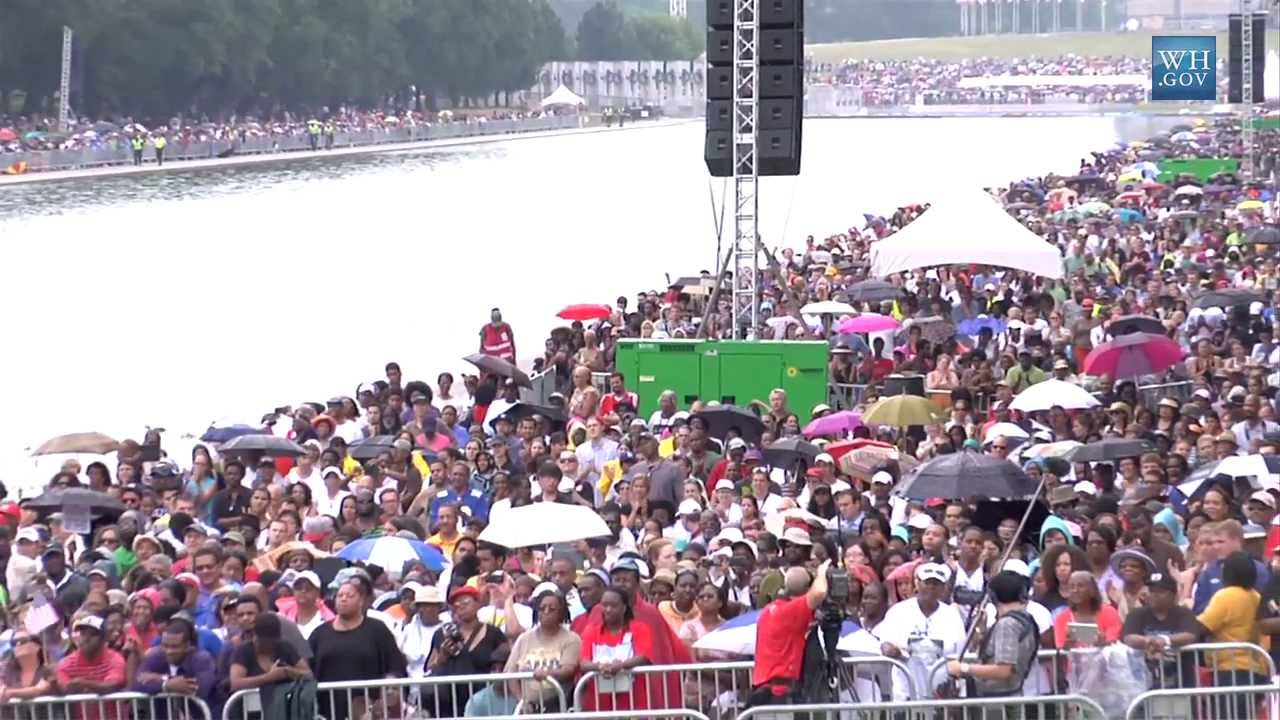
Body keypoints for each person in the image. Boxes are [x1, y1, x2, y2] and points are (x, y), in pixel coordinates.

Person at [308, 575, 405, 719]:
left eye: (350, 595)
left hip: (368, 709)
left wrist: (387, 695)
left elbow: (395, 665)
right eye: (340, 595)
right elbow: (308, 668)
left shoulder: (377, 629)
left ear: (361, 601)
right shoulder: (319, 634)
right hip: (328, 709)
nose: (343, 599)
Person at [947, 572, 1040, 717]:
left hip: (1000, 704)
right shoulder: (1024, 618)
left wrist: (964, 668)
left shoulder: (1008, 624)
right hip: (1002, 699)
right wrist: (982, 633)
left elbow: (1003, 670)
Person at [750, 560, 830, 706]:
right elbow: (819, 592)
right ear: (807, 589)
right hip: (777, 695)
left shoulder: (770, 609)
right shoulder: (790, 612)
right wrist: (822, 572)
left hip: (766, 691)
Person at [504, 588, 580, 712]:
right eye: (542, 608)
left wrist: (547, 673)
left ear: (561, 612)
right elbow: (510, 673)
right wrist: (521, 700)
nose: (546, 612)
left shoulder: (571, 638)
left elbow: (568, 670)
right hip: (529, 707)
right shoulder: (524, 639)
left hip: (558, 706)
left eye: (552, 609)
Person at [578, 586, 654, 710]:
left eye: (613, 605)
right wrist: (601, 667)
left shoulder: (639, 629)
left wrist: (621, 665)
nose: (608, 609)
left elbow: (644, 657)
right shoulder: (591, 631)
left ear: (624, 607)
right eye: (604, 605)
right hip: (599, 704)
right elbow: (583, 663)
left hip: (634, 702)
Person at [132, 620, 217, 709]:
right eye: (165, 645)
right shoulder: (156, 656)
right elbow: (137, 683)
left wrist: (161, 678)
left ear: (187, 646)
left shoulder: (202, 658)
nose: (169, 651)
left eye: (175, 646)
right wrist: (166, 684)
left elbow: (201, 688)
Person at [56, 616, 127, 720]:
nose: (86, 639)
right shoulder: (67, 663)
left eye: (93, 634)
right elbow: (64, 689)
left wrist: (84, 684)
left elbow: (113, 685)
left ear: (104, 638)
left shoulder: (115, 658)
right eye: (83, 633)